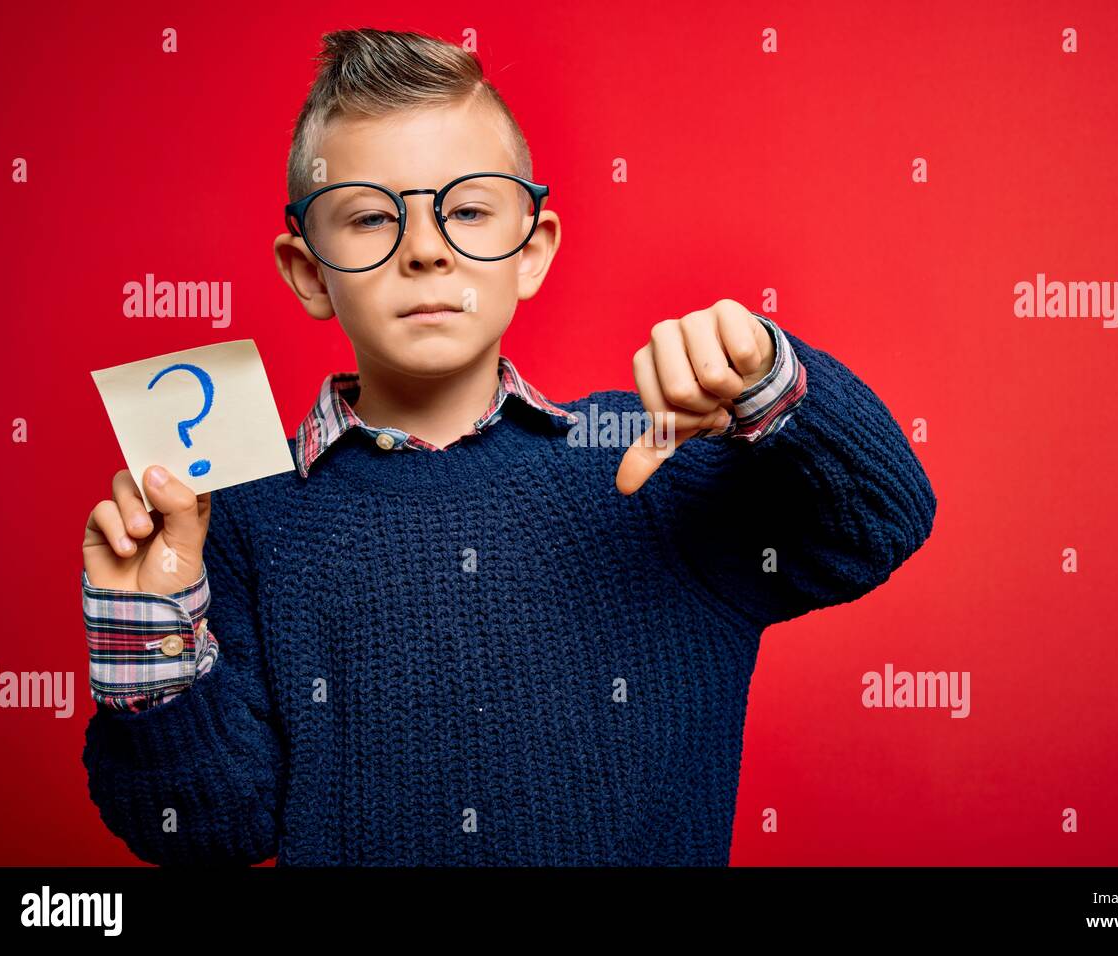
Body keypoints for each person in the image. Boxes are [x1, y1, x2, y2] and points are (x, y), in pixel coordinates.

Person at [79, 28, 937, 865]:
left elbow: (882, 521)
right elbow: (204, 830)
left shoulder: (650, 460)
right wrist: (148, 634)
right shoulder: (238, 515)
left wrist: (767, 377)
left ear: (532, 251)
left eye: (470, 209)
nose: (423, 251)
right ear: (308, 272)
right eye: (372, 218)